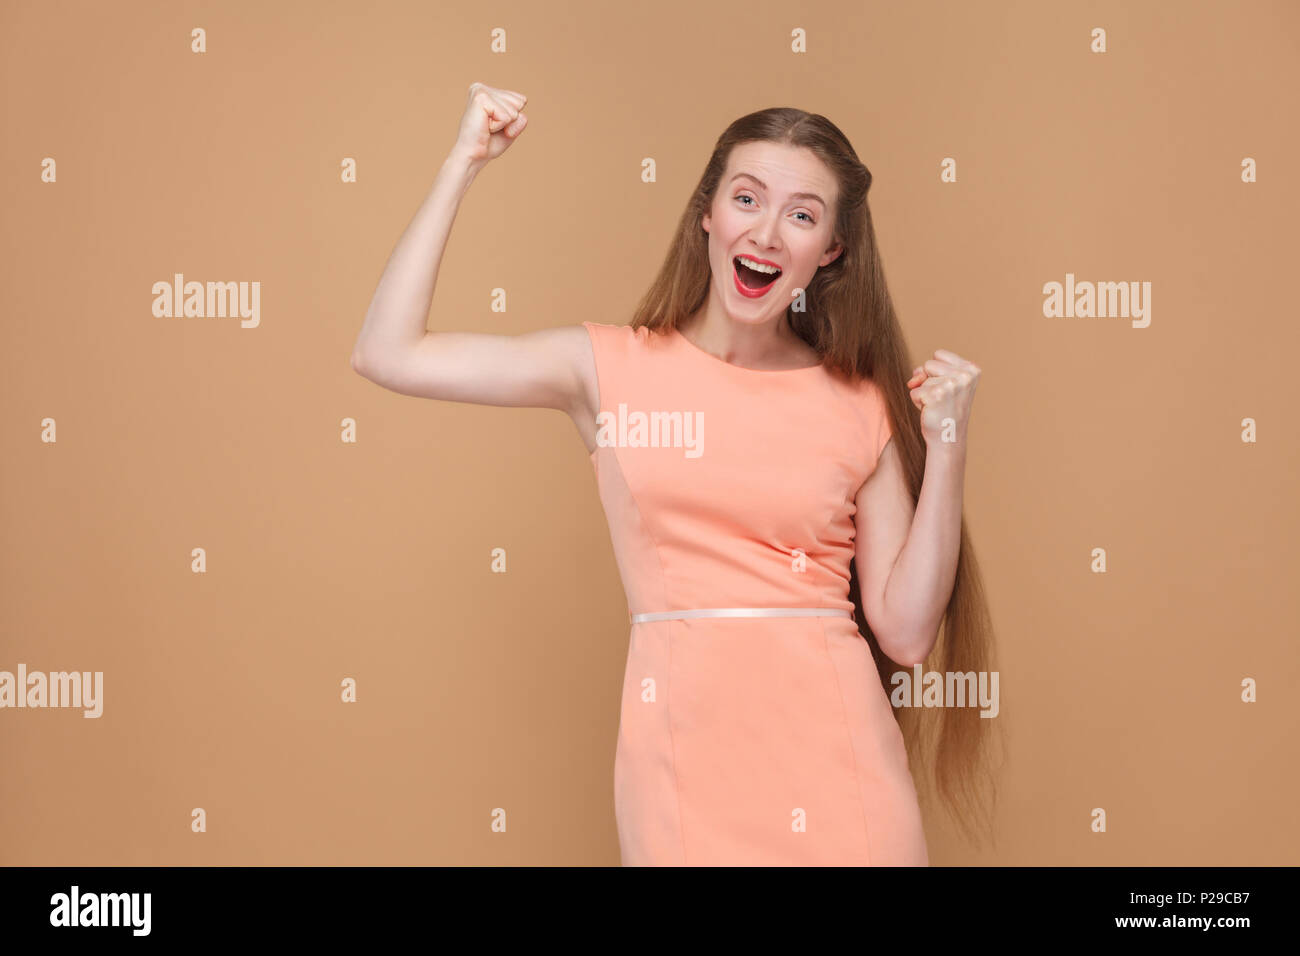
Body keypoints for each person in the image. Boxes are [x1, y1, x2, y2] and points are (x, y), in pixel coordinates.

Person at [351, 82, 999, 865]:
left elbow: (905, 629)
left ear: (830, 249)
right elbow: (387, 352)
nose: (765, 232)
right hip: (681, 765)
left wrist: (950, 443)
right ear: (707, 211)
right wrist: (464, 161)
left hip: (842, 769)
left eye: (801, 214)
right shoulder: (605, 368)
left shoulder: (860, 400)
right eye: (747, 198)